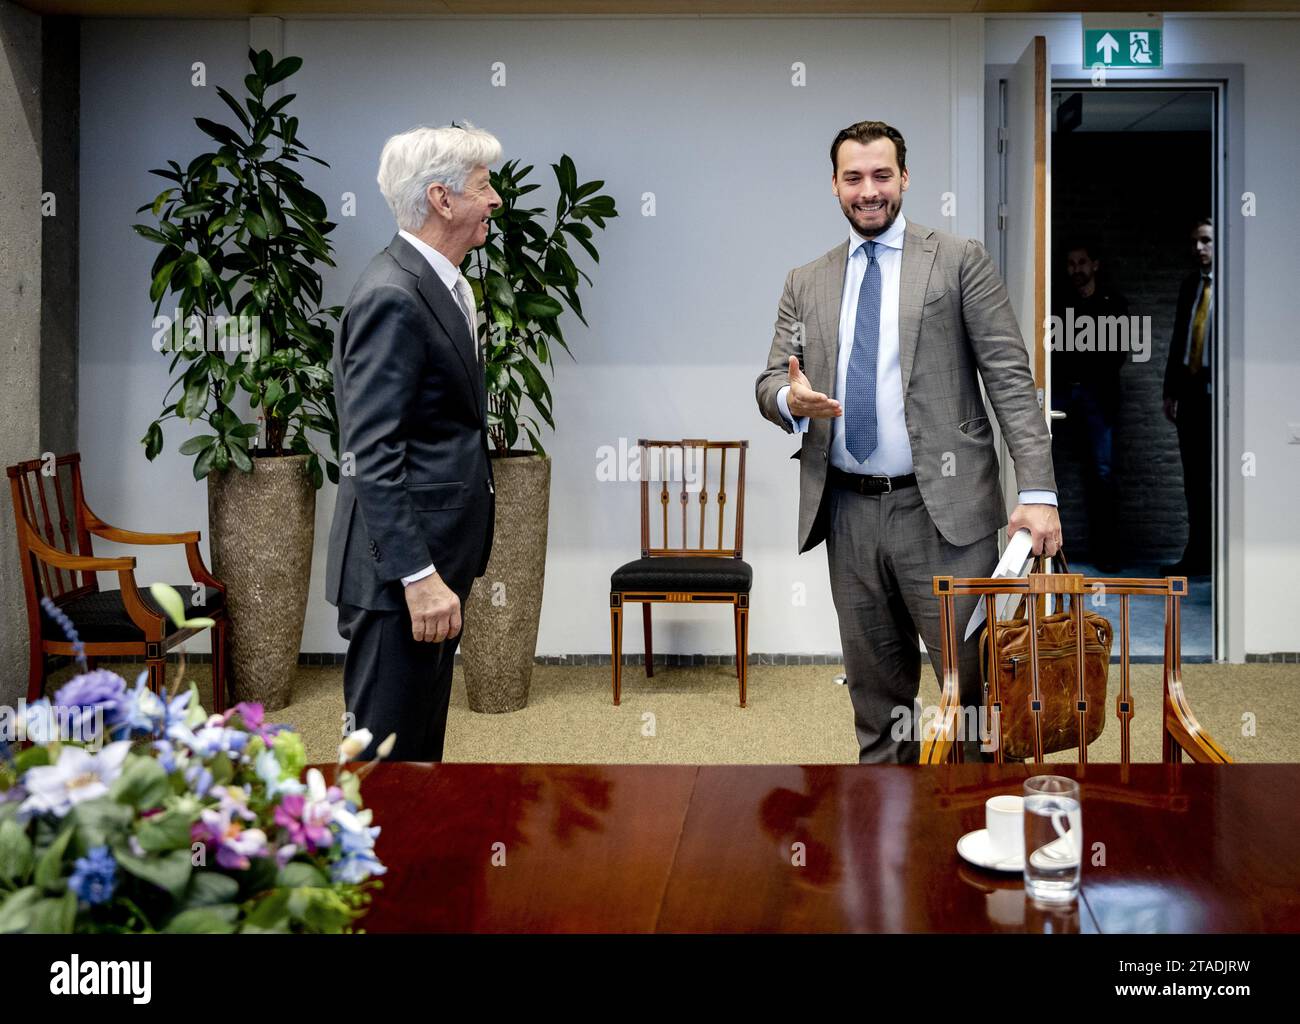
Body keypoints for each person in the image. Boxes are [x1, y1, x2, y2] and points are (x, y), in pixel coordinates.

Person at [755, 120, 1060, 764]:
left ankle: (972, 848)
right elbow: (768, 380)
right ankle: (888, 851)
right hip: (847, 514)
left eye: (882, 176)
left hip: (946, 517)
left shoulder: (957, 260)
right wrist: (791, 401)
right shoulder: (805, 281)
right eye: (854, 178)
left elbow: (1009, 378)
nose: (869, 191)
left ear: (905, 178)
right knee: (877, 703)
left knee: (971, 704)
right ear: (834, 185)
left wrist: (1037, 493)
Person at [325, 122, 501, 761]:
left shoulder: (439, 282)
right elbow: (372, 452)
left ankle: (416, 865)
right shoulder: (392, 295)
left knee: (420, 752)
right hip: (401, 576)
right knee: (382, 762)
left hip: (429, 566)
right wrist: (419, 576)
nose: (495, 200)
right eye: (483, 186)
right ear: (442, 198)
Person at [1052, 240, 1128, 572]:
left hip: (1099, 396)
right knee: (1042, 465)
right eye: (1071, 263)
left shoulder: (1114, 303)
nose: (1076, 269)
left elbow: (1117, 355)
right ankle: (1047, 555)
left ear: (1095, 265)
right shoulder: (1058, 303)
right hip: (1064, 393)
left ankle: (1107, 551)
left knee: (1102, 472)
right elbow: (1053, 351)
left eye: (1082, 262)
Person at [1162, 217, 1214, 577]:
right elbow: (1179, 342)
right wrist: (1171, 391)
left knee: (1219, 479)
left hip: (1220, 394)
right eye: (1195, 241)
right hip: (1191, 392)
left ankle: (1221, 557)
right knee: (1194, 478)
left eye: (1206, 241)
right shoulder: (1190, 286)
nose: (1199, 248)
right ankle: (1197, 554)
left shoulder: (1233, 287)